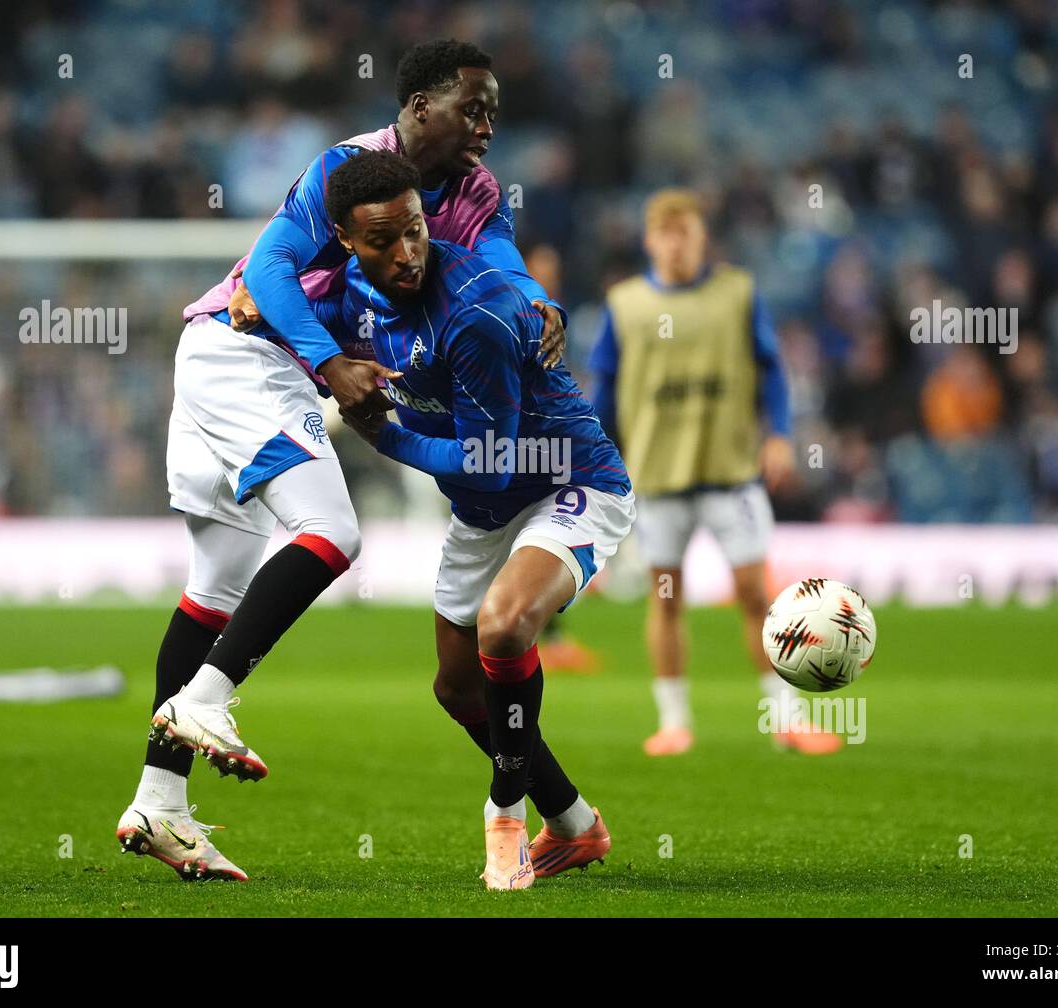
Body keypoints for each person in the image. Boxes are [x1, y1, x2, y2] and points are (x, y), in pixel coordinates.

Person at [115, 40, 567, 882]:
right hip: (245, 356)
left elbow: (499, 255)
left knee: (219, 581)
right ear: (422, 106)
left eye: (495, 109)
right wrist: (331, 365)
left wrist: (538, 300)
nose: (488, 124)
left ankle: (160, 802)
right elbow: (271, 270)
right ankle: (207, 702)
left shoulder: (471, 190)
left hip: (232, 360)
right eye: (474, 107)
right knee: (331, 531)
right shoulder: (349, 169)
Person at [313, 150, 635, 889]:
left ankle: (505, 818)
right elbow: (287, 305)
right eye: (383, 240)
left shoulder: (477, 311)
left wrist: (383, 433)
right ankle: (577, 827)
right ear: (347, 241)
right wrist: (249, 307)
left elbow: (488, 459)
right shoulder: (349, 290)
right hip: (484, 509)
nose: (405, 253)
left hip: (568, 481)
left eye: (416, 231)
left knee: (504, 625)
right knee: (457, 690)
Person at [590, 188, 840, 757]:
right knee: (667, 596)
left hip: (731, 474)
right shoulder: (625, 304)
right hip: (657, 479)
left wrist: (777, 434)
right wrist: (598, 459)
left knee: (755, 594)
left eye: (687, 232)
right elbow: (603, 391)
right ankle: (674, 721)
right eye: (666, 233)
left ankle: (786, 716)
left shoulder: (737, 294)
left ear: (702, 237)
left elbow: (772, 370)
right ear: (650, 239)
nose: (676, 244)